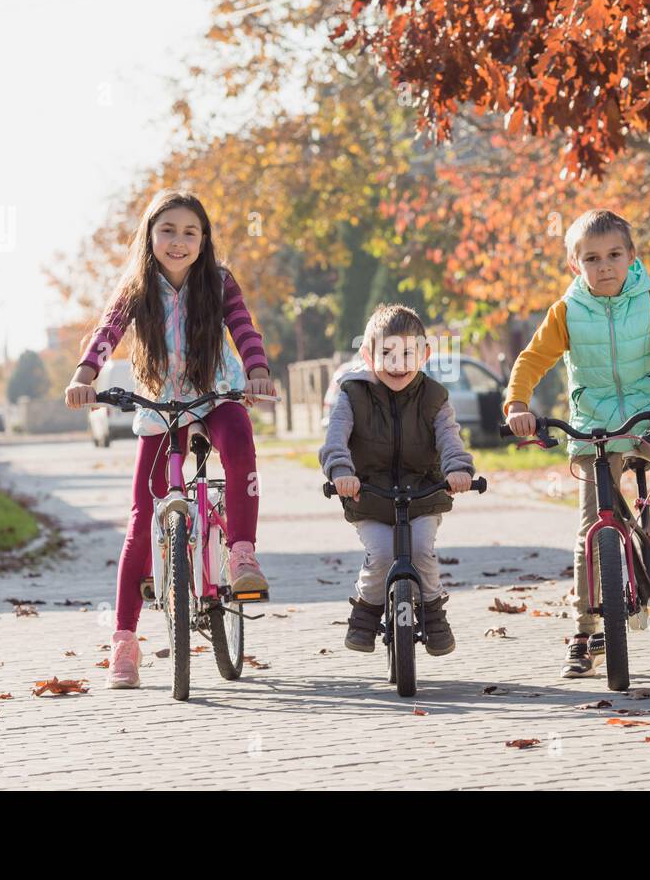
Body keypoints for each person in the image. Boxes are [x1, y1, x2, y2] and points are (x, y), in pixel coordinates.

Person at [64, 189, 274, 689]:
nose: (179, 242)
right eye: (168, 230)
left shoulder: (219, 283)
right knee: (141, 515)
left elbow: (244, 330)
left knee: (240, 442)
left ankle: (242, 554)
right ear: (150, 236)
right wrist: (83, 376)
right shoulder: (136, 287)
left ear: (204, 241)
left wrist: (258, 371)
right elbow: (107, 332)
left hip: (216, 391)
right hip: (159, 404)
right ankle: (124, 643)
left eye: (190, 232)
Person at [503, 209, 650, 679]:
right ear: (574, 264)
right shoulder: (566, 312)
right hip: (596, 422)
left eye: (614, 255)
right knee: (591, 529)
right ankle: (586, 632)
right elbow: (533, 357)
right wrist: (518, 405)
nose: (604, 266)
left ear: (631, 257)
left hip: (649, 411)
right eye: (592, 258)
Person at [319, 303, 476, 656]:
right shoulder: (352, 394)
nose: (398, 362)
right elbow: (335, 440)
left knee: (421, 549)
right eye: (387, 352)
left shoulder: (435, 397)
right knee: (382, 552)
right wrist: (342, 472)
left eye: (409, 352)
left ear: (426, 354)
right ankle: (366, 613)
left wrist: (458, 469)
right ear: (367, 354)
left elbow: (450, 438)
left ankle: (433, 612)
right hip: (369, 494)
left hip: (421, 493)